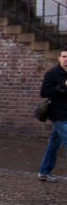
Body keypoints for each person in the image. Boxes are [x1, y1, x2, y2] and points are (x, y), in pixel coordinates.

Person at [37, 50, 67, 182]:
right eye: (64, 56)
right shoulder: (52, 74)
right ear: (59, 58)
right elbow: (44, 92)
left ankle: (44, 172)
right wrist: (62, 86)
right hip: (58, 114)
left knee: (54, 144)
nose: (66, 59)